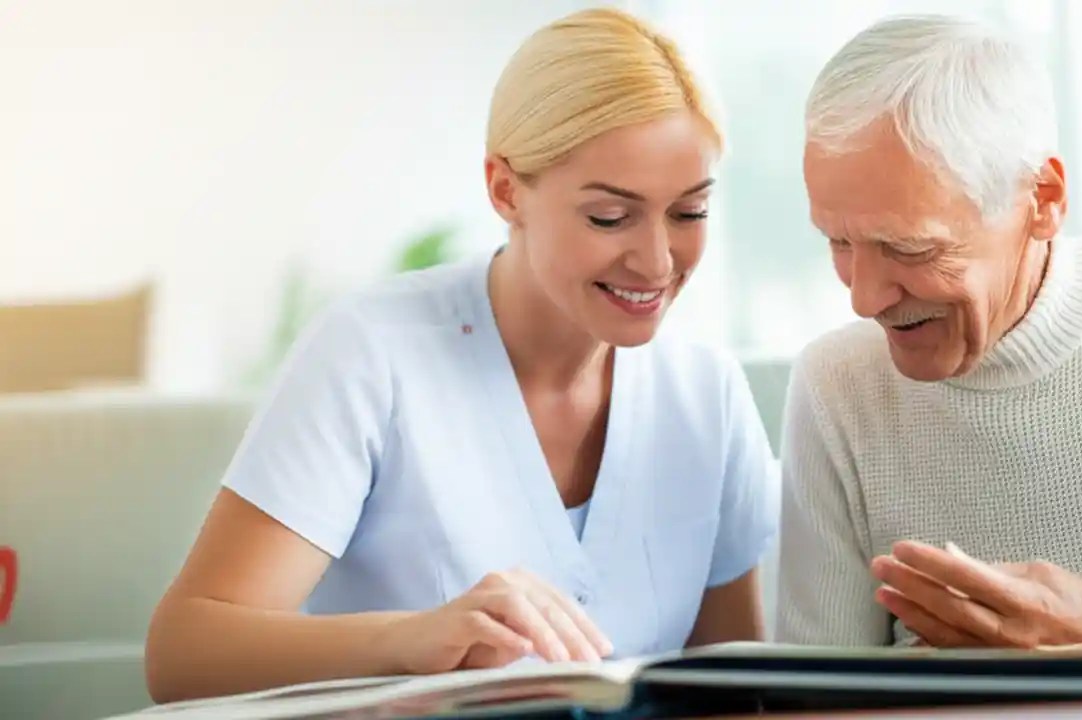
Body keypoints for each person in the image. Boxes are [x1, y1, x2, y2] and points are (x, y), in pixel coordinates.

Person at [145, 8, 778, 702]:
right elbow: (184, 654)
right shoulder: (374, 352)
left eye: (689, 213)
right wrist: (411, 639)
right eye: (609, 216)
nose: (658, 261)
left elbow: (734, 689)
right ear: (506, 190)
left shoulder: (705, 392)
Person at [776, 14, 1082, 656]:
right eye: (838, 241)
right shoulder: (835, 386)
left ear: (1042, 200)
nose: (863, 297)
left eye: (910, 248)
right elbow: (819, 692)